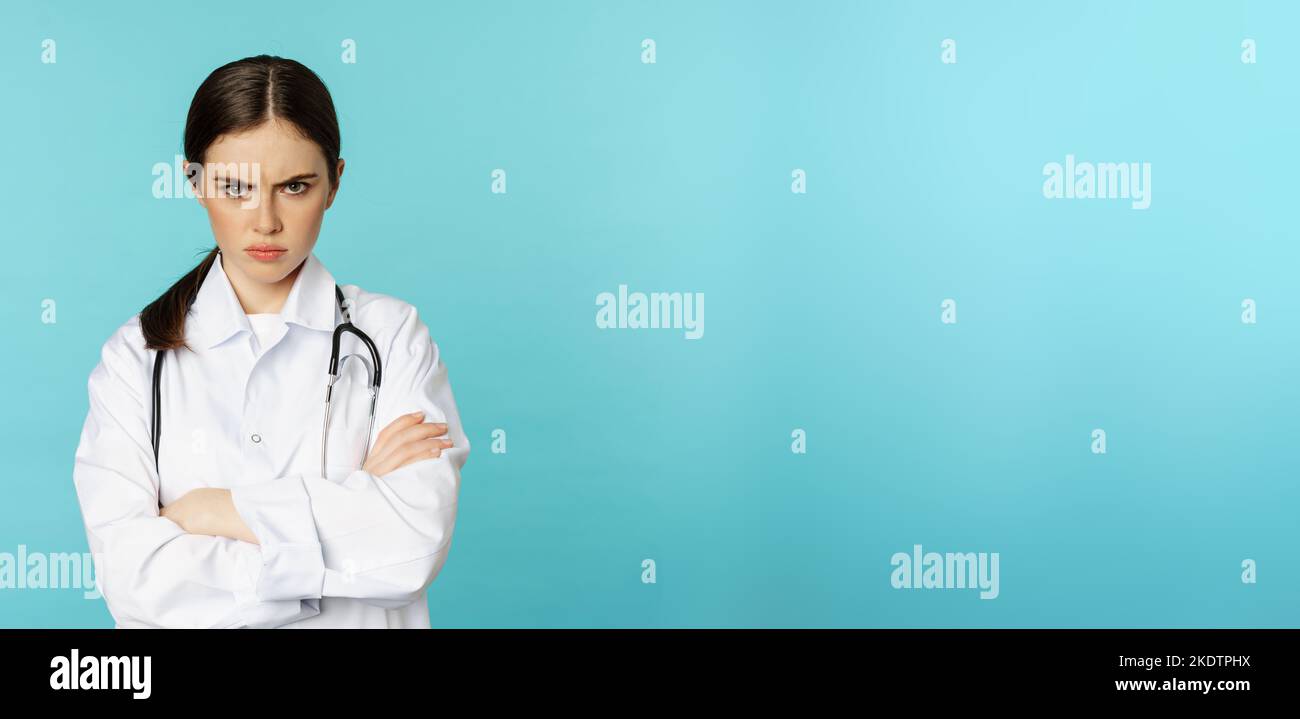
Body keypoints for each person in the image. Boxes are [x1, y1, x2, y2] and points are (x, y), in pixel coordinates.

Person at [71, 55, 469, 628]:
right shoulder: (135, 360)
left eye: (295, 187)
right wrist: (350, 509)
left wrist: (216, 512)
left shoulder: (391, 335)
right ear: (194, 181)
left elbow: (412, 545)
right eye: (235, 187)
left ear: (333, 183)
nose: (265, 221)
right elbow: (135, 582)